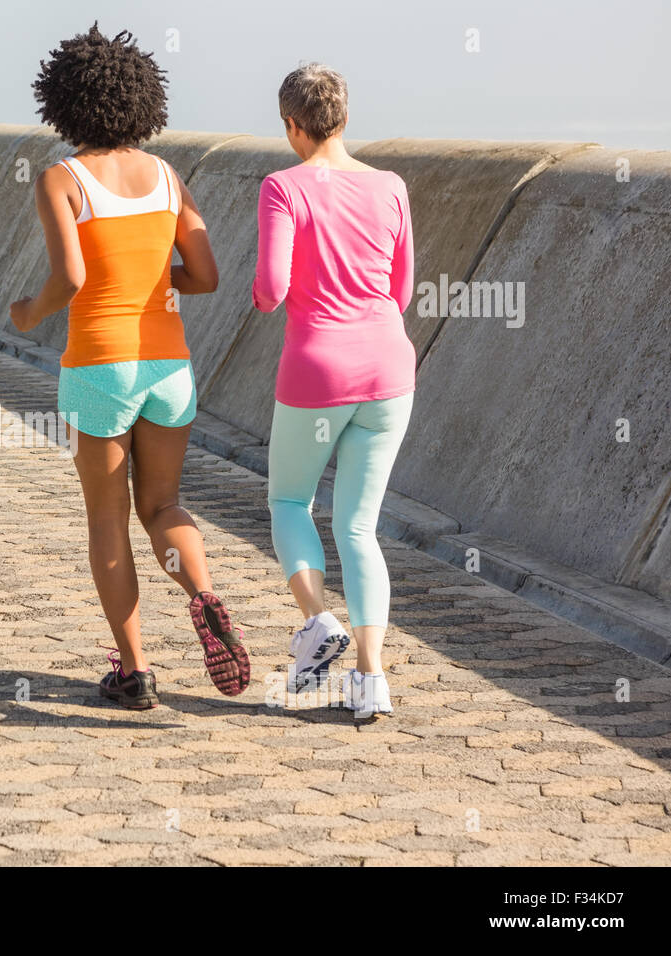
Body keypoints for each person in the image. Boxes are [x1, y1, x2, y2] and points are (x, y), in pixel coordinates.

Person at [10, 24, 249, 710]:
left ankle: (135, 670)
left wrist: (29, 310)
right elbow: (204, 274)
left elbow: (72, 278)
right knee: (164, 505)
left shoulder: (63, 178)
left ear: (61, 103)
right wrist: (152, 274)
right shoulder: (169, 177)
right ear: (144, 101)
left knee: (108, 521)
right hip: (169, 367)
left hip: (100, 367)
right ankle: (202, 593)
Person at [252, 64, 416, 719]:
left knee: (290, 499)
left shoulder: (282, 187)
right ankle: (371, 680)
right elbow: (400, 291)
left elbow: (270, 288)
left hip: (317, 372)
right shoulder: (391, 185)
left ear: (292, 126)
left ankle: (318, 622)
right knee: (359, 527)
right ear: (344, 119)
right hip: (387, 370)